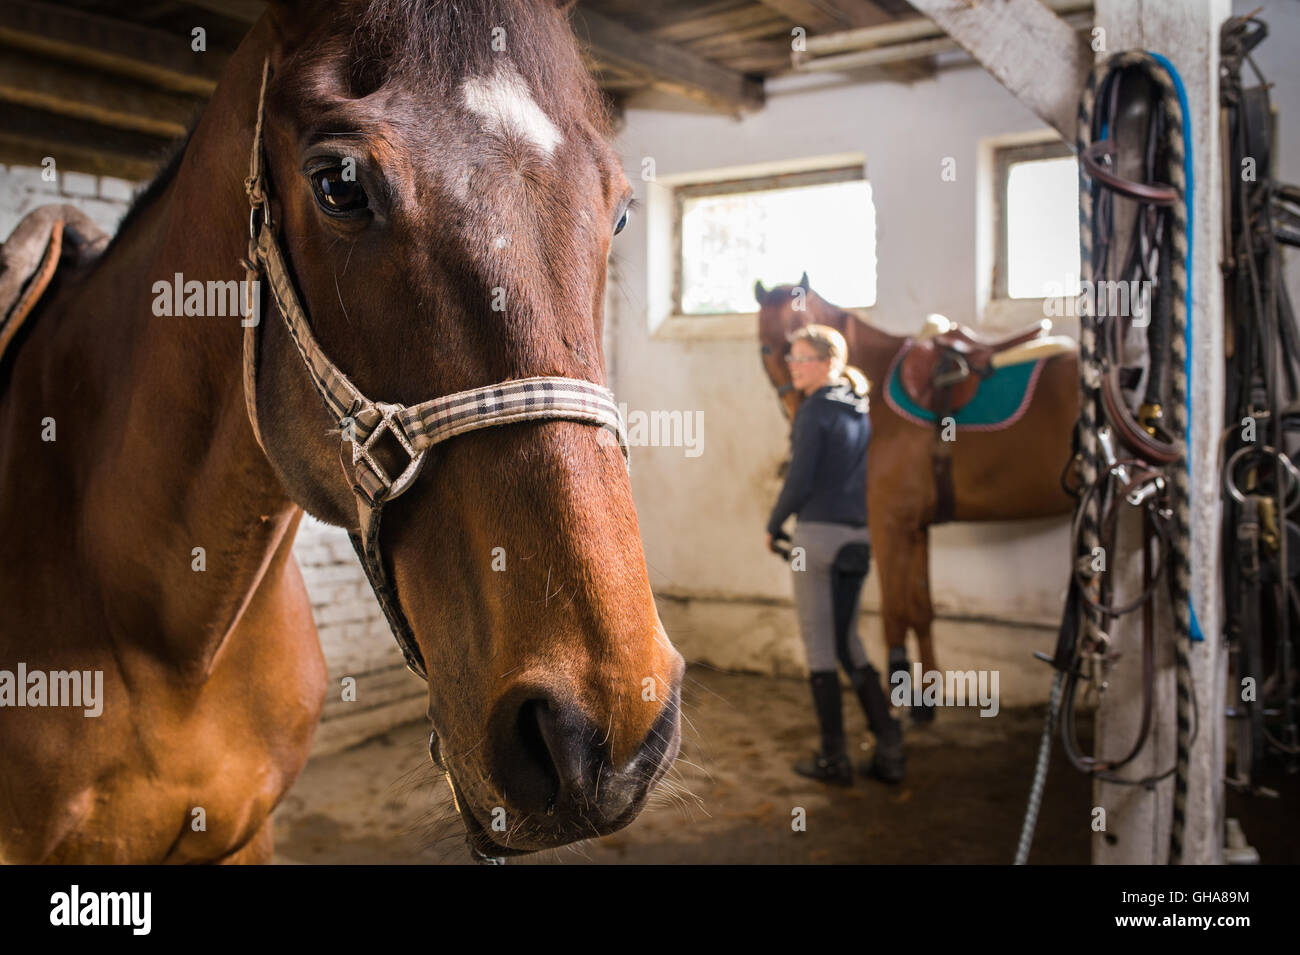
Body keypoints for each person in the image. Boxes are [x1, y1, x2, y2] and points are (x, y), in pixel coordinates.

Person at [766, 324, 904, 785]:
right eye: (791, 357)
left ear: (828, 363)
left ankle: (833, 759)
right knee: (849, 642)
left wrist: (773, 523)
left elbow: (800, 481)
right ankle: (889, 744)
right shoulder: (858, 409)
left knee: (820, 645)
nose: (792, 365)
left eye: (802, 357)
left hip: (818, 538)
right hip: (858, 538)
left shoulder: (811, 412)